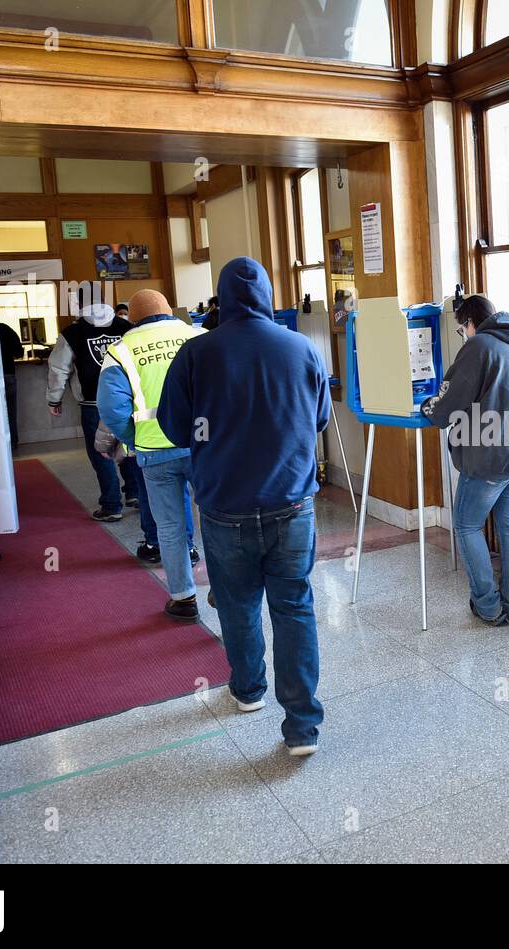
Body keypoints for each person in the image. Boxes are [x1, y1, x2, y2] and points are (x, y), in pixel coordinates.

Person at [158, 258, 329, 755]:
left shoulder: (196, 353)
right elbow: (318, 419)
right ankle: (302, 727)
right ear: (269, 293)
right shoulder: (302, 348)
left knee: (236, 603)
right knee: (295, 607)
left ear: (221, 298)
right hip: (293, 506)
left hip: (224, 507)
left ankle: (249, 690)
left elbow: (172, 428)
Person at [420, 294, 509, 625]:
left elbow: (447, 407)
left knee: (467, 524)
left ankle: (488, 606)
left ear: (469, 323)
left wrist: (429, 407)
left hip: (493, 457)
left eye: (462, 330)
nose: (464, 336)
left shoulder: (478, 348)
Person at [97, 289, 204, 622]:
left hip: (155, 452)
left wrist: (134, 439)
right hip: (203, 445)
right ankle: (225, 587)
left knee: (169, 527)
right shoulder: (197, 337)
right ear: (170, 310)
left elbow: (112, 410)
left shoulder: (119, 350)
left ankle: (184, 599)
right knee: (216, 517)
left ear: (132, 318)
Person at [47, 301, 140, 520]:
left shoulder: (72, 332)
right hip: (127, 399)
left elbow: (59, 369)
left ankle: (111, 506)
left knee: (102, 453)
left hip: (93, 403)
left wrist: (54, 399)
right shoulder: (126, 327)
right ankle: (134, 494)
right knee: (129, 445)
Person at [0, 321, 22, 450]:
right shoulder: (5, 329)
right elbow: (18, 352)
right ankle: (12, 443)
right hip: (8, 374)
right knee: (10, 412)